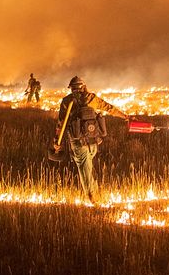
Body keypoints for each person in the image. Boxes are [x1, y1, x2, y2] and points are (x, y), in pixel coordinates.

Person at [52, 76, 129, 204]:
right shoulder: (91, 98)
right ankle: (95, 193)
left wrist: (56, 142)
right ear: (83, 86)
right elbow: (109, 108)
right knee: (88, 167)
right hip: (93, 140)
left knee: (84, 170)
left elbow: (61, 123)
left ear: (72, 88)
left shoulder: (67, 101)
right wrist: (125, 116)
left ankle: (92, 198)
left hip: (78, 142)